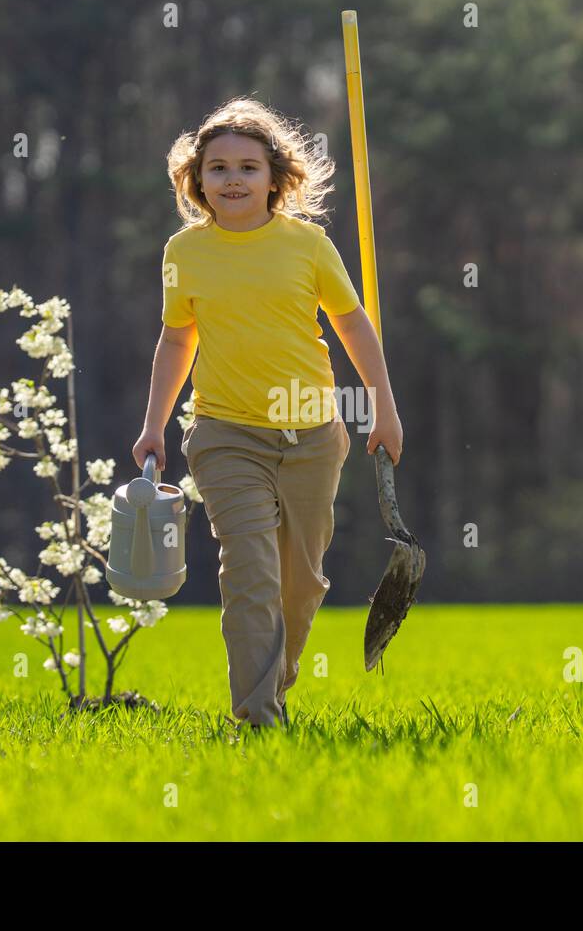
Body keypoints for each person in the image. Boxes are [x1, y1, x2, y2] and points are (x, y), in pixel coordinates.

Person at [133, 97, 403, 732]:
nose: (232, 179)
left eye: (248, 168)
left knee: (301, 582)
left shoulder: (307, 245)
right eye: (218, 167)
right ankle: (257, 717)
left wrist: (384, 411)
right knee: (248, 572)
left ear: (275, 178)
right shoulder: (184, 251)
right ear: (195, 179)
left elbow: (353, 326)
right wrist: (153, 424)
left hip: (312, 434)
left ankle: (273, 677)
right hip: (225, 433)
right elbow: (177, 339)